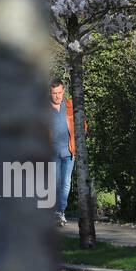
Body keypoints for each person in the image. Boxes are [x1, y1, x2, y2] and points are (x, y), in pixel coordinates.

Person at [50, 78, 86, 226]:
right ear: (50, 93)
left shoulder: (70, 105)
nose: (57, 96)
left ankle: (60, 212)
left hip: (69, 152)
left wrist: (79, 140)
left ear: (63, 91)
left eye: (59, 92)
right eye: (54, 93)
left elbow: (82, 124)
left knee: (65, 183)